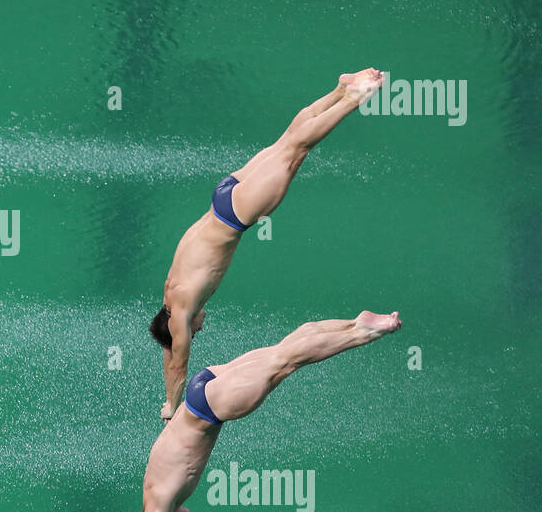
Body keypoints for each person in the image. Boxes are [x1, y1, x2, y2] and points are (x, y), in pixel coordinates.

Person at [131, 309, 401, 512]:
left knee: (286, 362)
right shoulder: (152, 487)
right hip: (204, 386)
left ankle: (361, 332)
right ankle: (355, 323)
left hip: (209, 408)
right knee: (283, 351)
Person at [152, 69, 384, 420]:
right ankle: (340, 88)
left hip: (236, 214)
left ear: (178, 327)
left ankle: (353, 98)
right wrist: (169, 365)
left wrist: (171, 407)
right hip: (224, 196)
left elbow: (178, 366)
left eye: (193, 332)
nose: (200, 327)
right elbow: (169, 352)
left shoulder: (182, 313)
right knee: (287, 142)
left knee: (296, 150)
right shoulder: (171, 293)